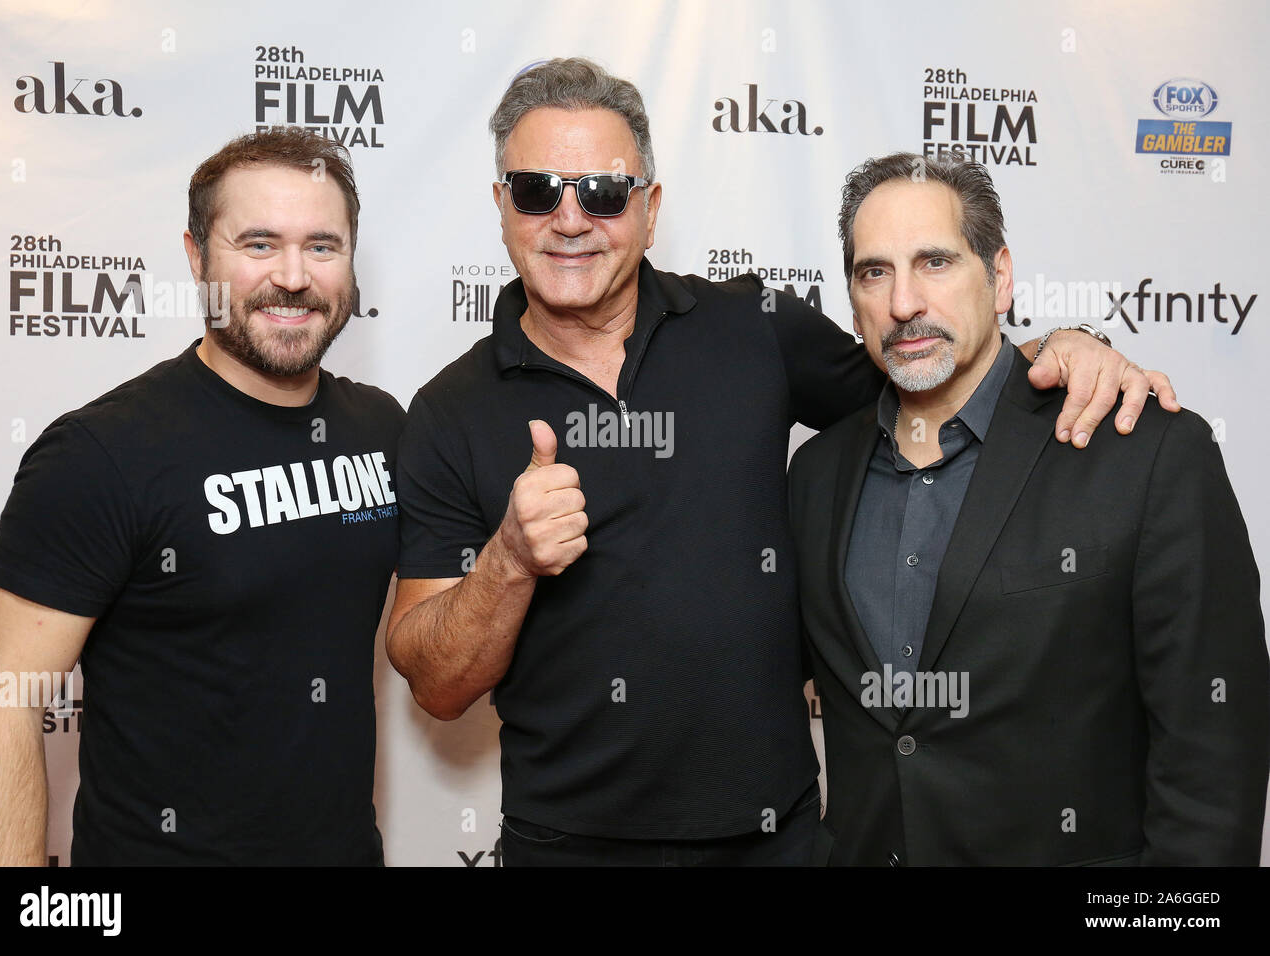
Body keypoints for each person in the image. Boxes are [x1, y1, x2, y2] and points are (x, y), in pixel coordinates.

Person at [386, 57, 1176, 866]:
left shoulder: (754, 327)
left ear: (650, 210)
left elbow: (927, 370)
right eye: (536, 190)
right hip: (566, 848)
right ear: (501, 207)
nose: (570, 219)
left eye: (603, 191)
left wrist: (1064, 347)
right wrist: (510, 559)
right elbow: (437, 686)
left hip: (777, 842)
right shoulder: (449, 413)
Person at [788, 152, 1268, 866]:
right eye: (874, 272)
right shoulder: (816, 473)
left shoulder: (1146, 454)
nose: (903, 302)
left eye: (936, 263)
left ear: (1001, 276)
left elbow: (1212, 758)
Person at [0, 127, 405, 865]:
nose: (294, 277)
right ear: (197, 256)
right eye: (259, 245)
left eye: (323, 246)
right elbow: (1, 703)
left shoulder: (383, 430)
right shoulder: (101, 454)